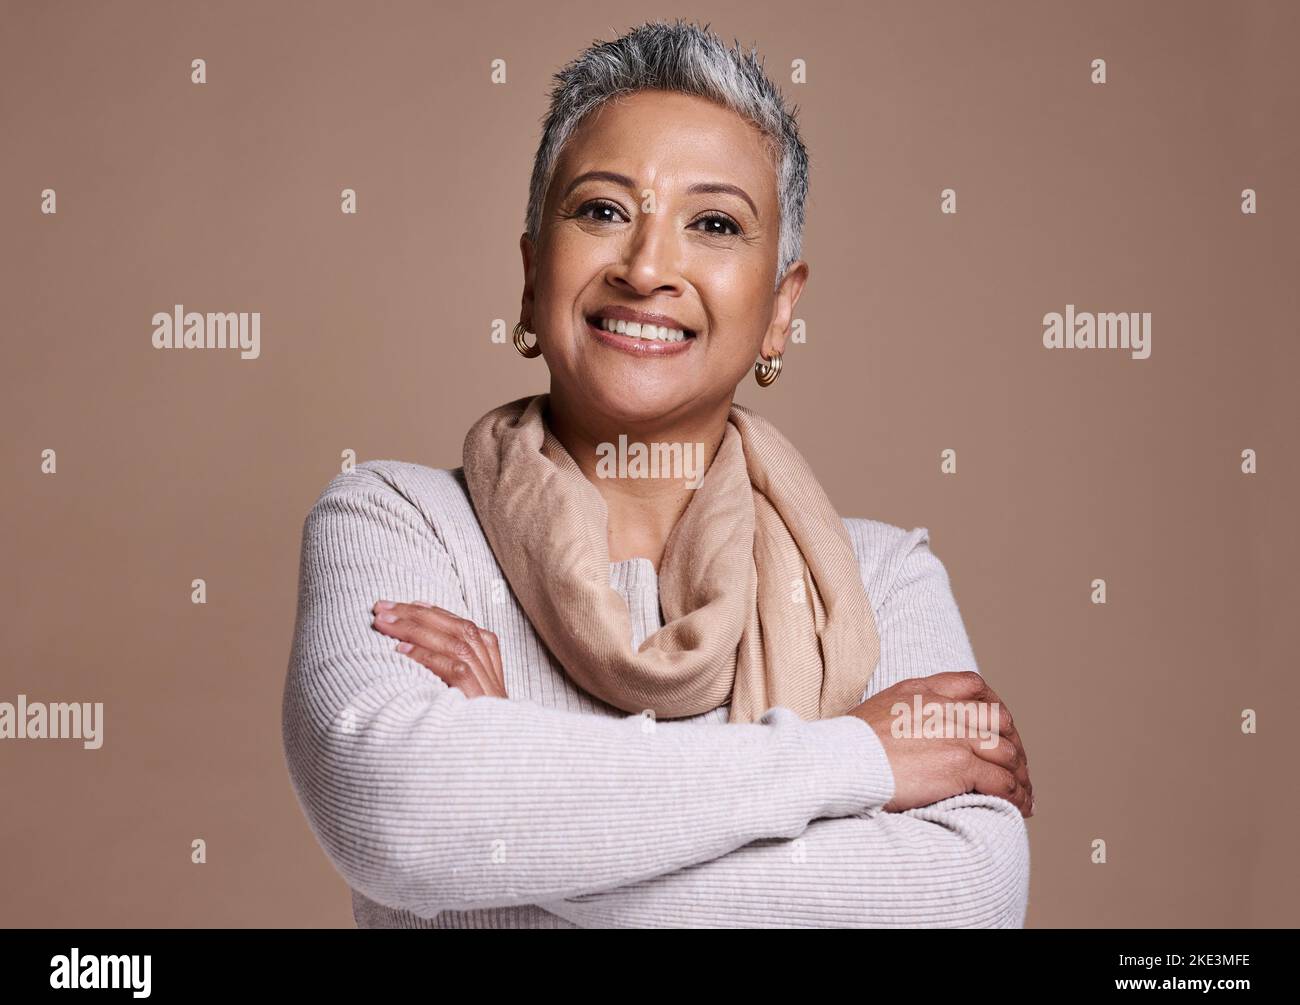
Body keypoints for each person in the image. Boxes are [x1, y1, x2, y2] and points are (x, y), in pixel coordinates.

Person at [281, 18, 1032, 928]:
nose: (645, 267)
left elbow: (963, 900)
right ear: (530, 273)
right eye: (601, 211)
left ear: (780, 311)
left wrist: (519, 794)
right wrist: (854, 760)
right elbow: (397, 817)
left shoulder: (880, 579)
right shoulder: (401, 525)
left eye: (713, 224)